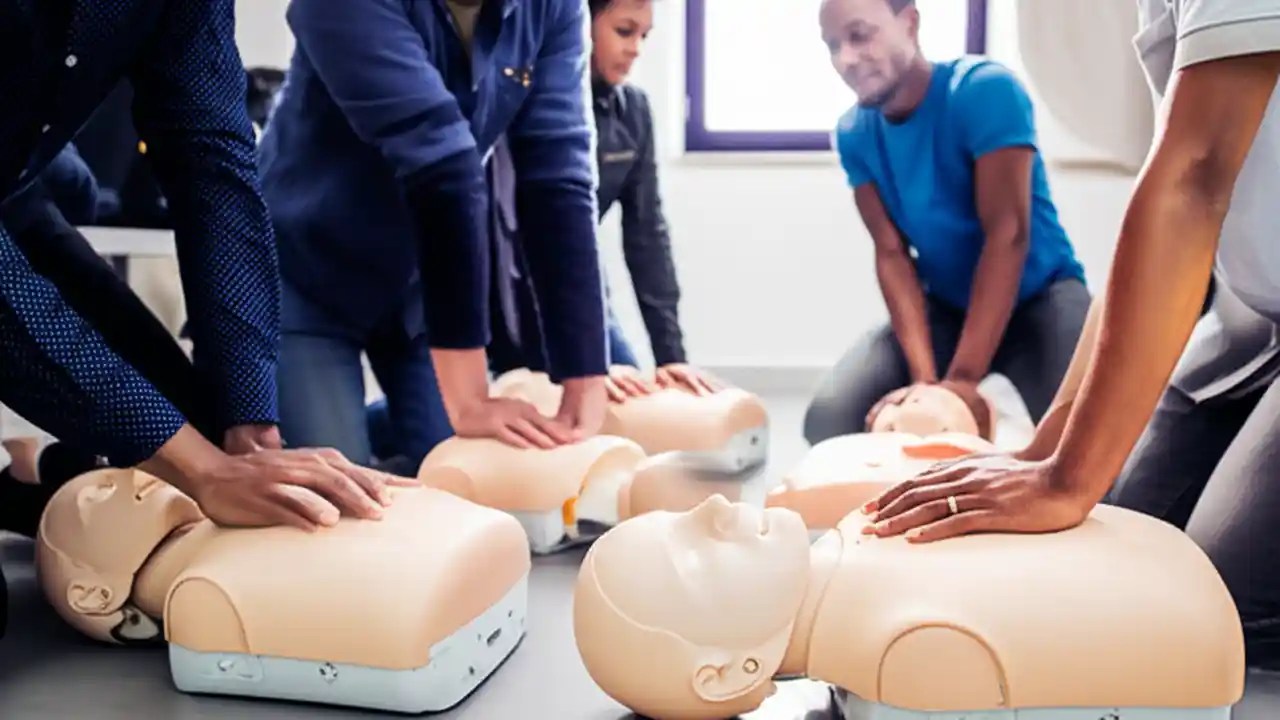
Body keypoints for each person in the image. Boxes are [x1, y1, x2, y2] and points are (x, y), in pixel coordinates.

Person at [860, 0, 1280, 671]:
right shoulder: (858, 131)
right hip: (1253, 316)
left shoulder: (980, 93)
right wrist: (1047, 450)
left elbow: (1194, 180)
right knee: (1118, 521)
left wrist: (1065, 476)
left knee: (1227, 602)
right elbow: (1174, 186)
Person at [1, 0, 398, 536]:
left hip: (17, 192)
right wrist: (201, 469)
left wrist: (248, 427)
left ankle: (28, 483)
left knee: (204, 441)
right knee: (182, 454)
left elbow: (209, 158)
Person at [259, 0, 611, 470]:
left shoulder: (553, 7)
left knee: (470, 479)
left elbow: (558, 175)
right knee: (340, 501)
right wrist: (469, 401)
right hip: (303, 278)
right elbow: (443, 165)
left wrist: (584, 376)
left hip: (419, 287)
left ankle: (375, 429)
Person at [803, 0, 1090, 445]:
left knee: (1086, 438)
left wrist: (961, 381)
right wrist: (926, 385)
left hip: (1041, 297)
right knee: (829, 421)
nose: (845, 59)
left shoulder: (984, 90)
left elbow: (1008, 235)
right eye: (832, 45)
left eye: (860, 35)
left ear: (910, 22)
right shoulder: (854, 132)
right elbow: (892, 253)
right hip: (946, 306)